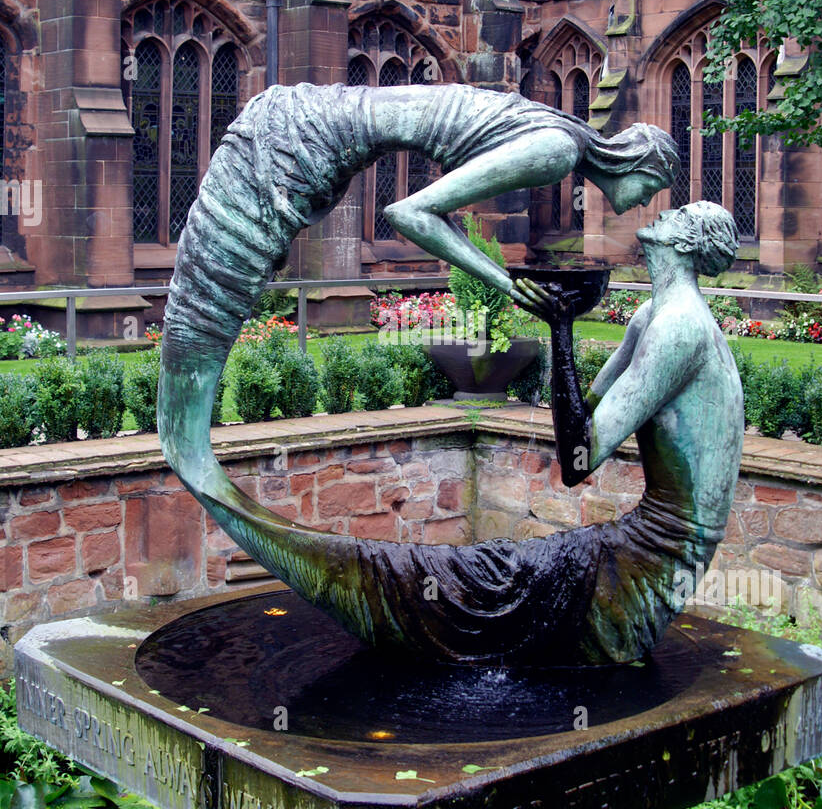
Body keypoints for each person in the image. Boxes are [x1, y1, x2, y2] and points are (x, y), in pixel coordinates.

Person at [161, 181, 744, 666]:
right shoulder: (652, 315)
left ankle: (394, 595)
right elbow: (585, 414)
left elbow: (577, 461)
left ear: (691, 243)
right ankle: (386, 587)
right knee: (494, 574)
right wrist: (558, 329)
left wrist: (560, 332)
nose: (666, 211)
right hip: (643, 540)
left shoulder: (681, 328)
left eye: (682, 214)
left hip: (665, 555)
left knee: (499, 585)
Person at [159, 81, 677, 532]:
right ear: (639, 162)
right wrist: (506, 283)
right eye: (652, 187)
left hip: (303, 127)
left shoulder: (558, 141)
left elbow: (432, 211)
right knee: (210, 316)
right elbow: (410, 213)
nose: (639, 204)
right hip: (292, 143)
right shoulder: (557, 151)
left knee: (217, 310)